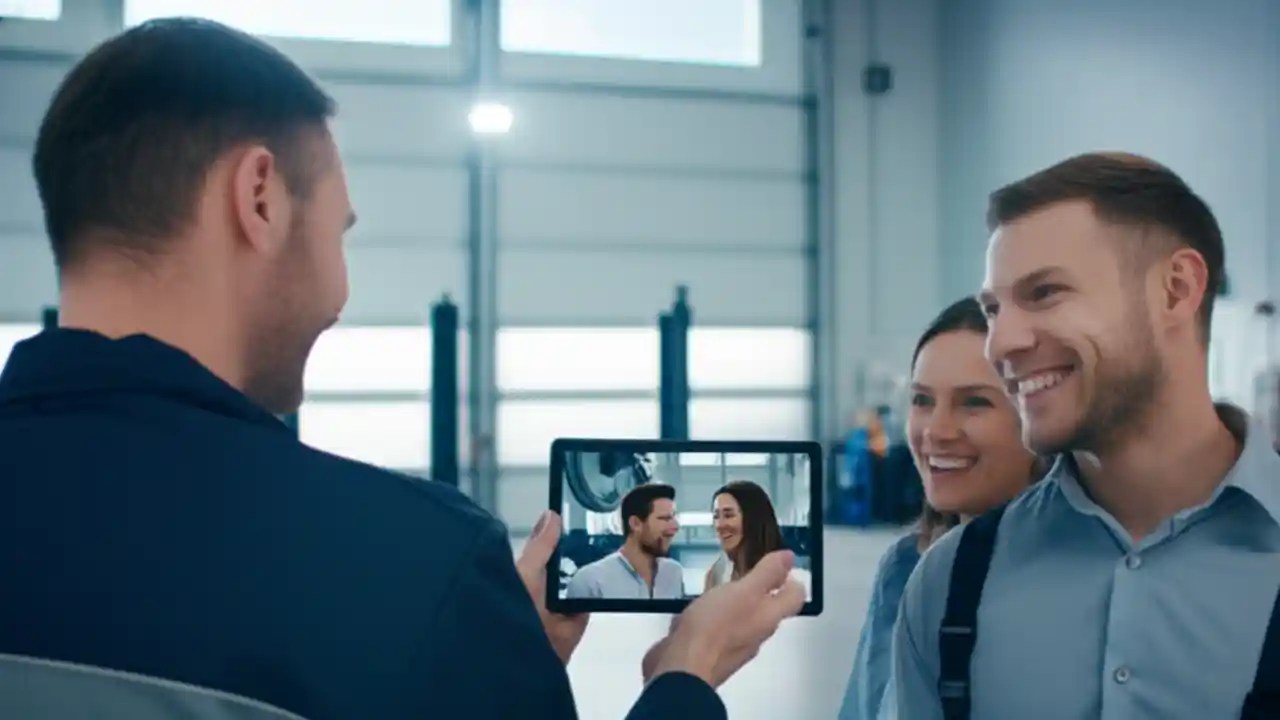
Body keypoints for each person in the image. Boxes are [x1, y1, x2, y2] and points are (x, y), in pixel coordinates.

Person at [0, 17, 805, 720]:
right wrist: (685, 680)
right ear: (261, 199)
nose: (340, 292)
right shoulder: (418, 568)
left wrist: (480, 667)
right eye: (340, 231)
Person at [890, 152, 1280, 719]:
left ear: (1176, 289)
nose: (1000, 344)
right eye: (994, 309)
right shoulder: (949, 585)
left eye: (1044, 292)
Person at [837, 297, 1041, 720]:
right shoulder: (904, 568)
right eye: (922, 400)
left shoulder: (1081, 574)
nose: (937, 430)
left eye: (974, 402)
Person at [565, 483, 686, 599]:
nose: (675, 526)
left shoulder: (674, 573)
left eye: (674, 517)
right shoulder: (590, 581)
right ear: (635, 523)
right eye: (665, 518)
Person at [705, 480, 786, 590]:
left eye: (728, 515)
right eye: (716, 516)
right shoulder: (717, 573)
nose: (720, 525)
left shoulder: (785, 577)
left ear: (754, 519)